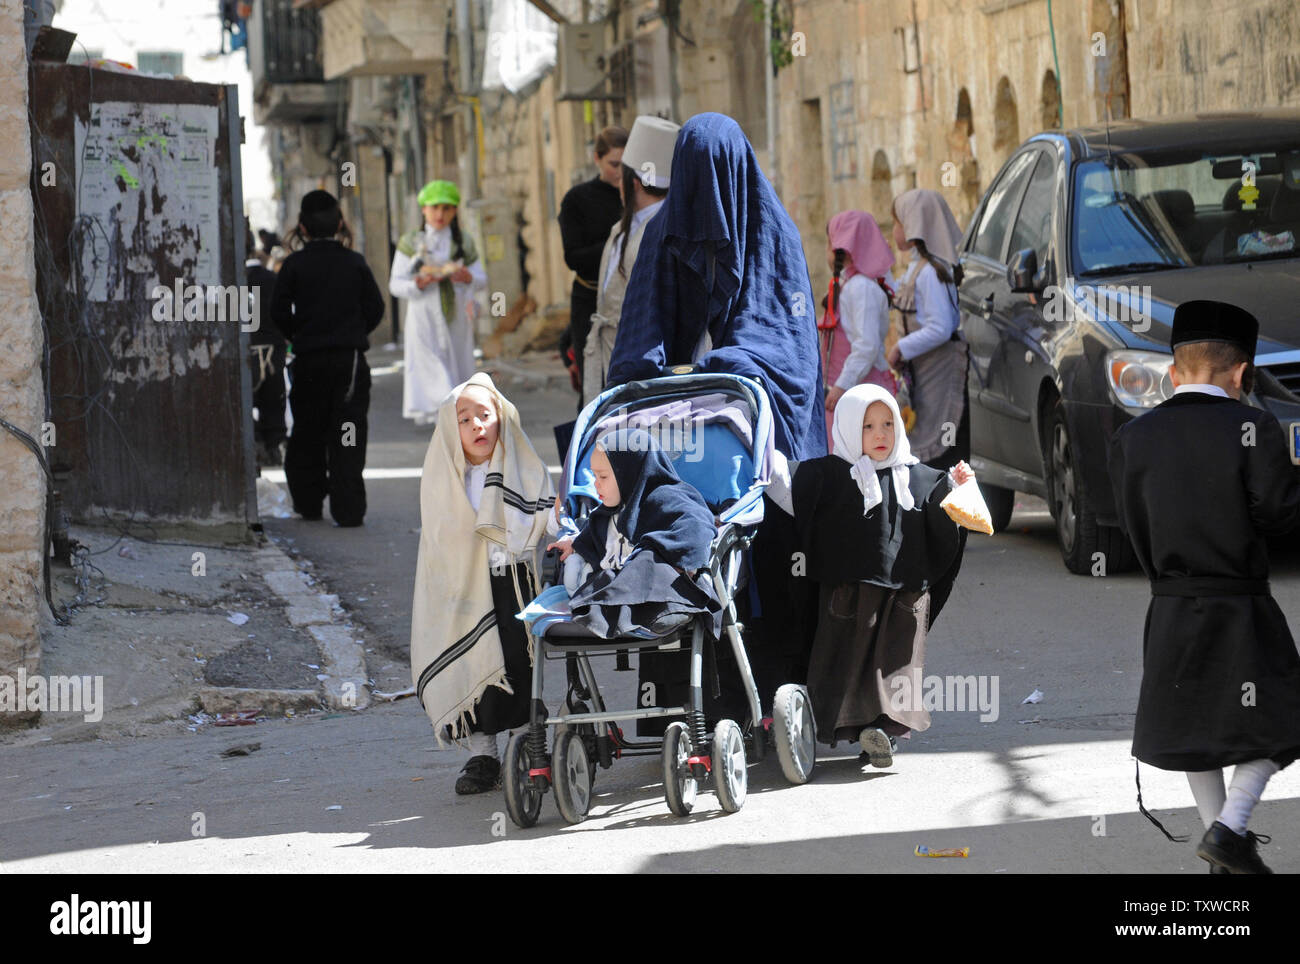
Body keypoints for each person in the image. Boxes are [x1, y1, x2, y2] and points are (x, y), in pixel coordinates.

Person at [1108, 299, 1300, 874]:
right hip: (1239, 603)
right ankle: (1229, 827)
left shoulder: (1134, 437)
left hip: (1169, 603)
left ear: (1173, 371)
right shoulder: (1253, 426)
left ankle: (1224, 850)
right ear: (1241, 374)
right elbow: (1281, 514)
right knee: (1284, 714)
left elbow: (1133, 523)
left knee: (1196, 727)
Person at [768, 384, 971, 767]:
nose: (880, 435)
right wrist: (760, 446)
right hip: (849, 596)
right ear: (846, 428)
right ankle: (849, 724)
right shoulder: (830, 475)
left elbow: (945, 510)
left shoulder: (916, 477)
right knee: (848, 660)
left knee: (895, 663)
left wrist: (956, 485)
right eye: (868, 426)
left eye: (888, 424)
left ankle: (883, 731)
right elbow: (787, 485)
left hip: (903, 597)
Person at [605, 112, 827, 462]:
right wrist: (660, 378)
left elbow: (787, 351)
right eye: (694, 178)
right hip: (673, 418)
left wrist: (725, 367)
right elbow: (640, 337)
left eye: (714, 176)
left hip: (749, 417)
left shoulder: (775, 237)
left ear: (734, 169)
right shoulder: (660, 234)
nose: (703, 194)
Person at [410, 373, 556, 794]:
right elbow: (439, 544)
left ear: (502, 419)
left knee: (517, 660)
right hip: (460, 591)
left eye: (484, 415)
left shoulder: (522, 468)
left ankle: (528, 738)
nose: (476, 425)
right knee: (473, 663)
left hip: (513, 582)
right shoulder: (443, 477)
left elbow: (545, 518)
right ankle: (483, 754)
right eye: (464, 419)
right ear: (449, 429)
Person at [270, 190, 384, 526]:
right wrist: (353, 332)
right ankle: (348, 510)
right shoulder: (354, 262)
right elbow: (375, 308)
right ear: (339, 224)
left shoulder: (293, 265)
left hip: (308, 361)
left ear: (301, 228)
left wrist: (299, 335)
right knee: (347, 430)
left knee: (308, 430)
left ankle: (307, 502)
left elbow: (277, 311)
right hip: (348, 363)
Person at [548, 429, 721, 639]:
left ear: (628, 473)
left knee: (650, 561)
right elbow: (593, 536)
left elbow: (698, 530)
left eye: (603, 476)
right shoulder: (608, 511)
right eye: (594, 475)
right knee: (597, 576)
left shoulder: (671, 500)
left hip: (661, 588)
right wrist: (575, 543)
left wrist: (652, 549)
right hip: (620, 584)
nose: (596, 484)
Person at [583, 116, 680, 404]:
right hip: (607, 359)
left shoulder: (662, 232)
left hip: (638, 370)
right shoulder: (623, 227)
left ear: (634, 182)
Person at [390, 180, 487, 425]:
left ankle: (454, 419)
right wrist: (417, 285)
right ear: (424, 209)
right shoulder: (410, 243)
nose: (440, 215)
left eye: (447, 208)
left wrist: (467, 277)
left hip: (455, 316)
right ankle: (447, 413)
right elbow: (395, 284)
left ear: (454, 211)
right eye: (435, 208)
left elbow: (481, 278)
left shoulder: (463, 242)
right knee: (431, 370)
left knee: (457, 367)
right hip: (423, 317)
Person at [884, 189, 968, 470]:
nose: (894, 229)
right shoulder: (919, 268)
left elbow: (941, 327)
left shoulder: (932, 273)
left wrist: (900, 348)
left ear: (913, 225)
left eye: (897, 222)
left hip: (941, 375)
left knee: (945, 455)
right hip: (927, 375)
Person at [558, 126, 626, 405]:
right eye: (614, 164)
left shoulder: (638, 192)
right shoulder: (577, 199)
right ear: (597, 158)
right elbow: (573, 256)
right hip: (590, 299)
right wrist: (616, 243)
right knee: (593, 380)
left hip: (627, 298)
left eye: (626, 164)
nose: (621, 172)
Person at [821, 210, 897, 418]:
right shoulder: (852, 286)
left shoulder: (861, 288)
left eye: (829, 243)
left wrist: (841, 386)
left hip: (864, 392)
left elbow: (867, 346)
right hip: (854, 391)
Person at [245, 220, 285, 467]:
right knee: (273, 399)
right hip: (273, 350)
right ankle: (273, 446)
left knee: (246, 401)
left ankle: (256, 442)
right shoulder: (273, 279)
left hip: (247, 351)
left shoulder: (229, 281)